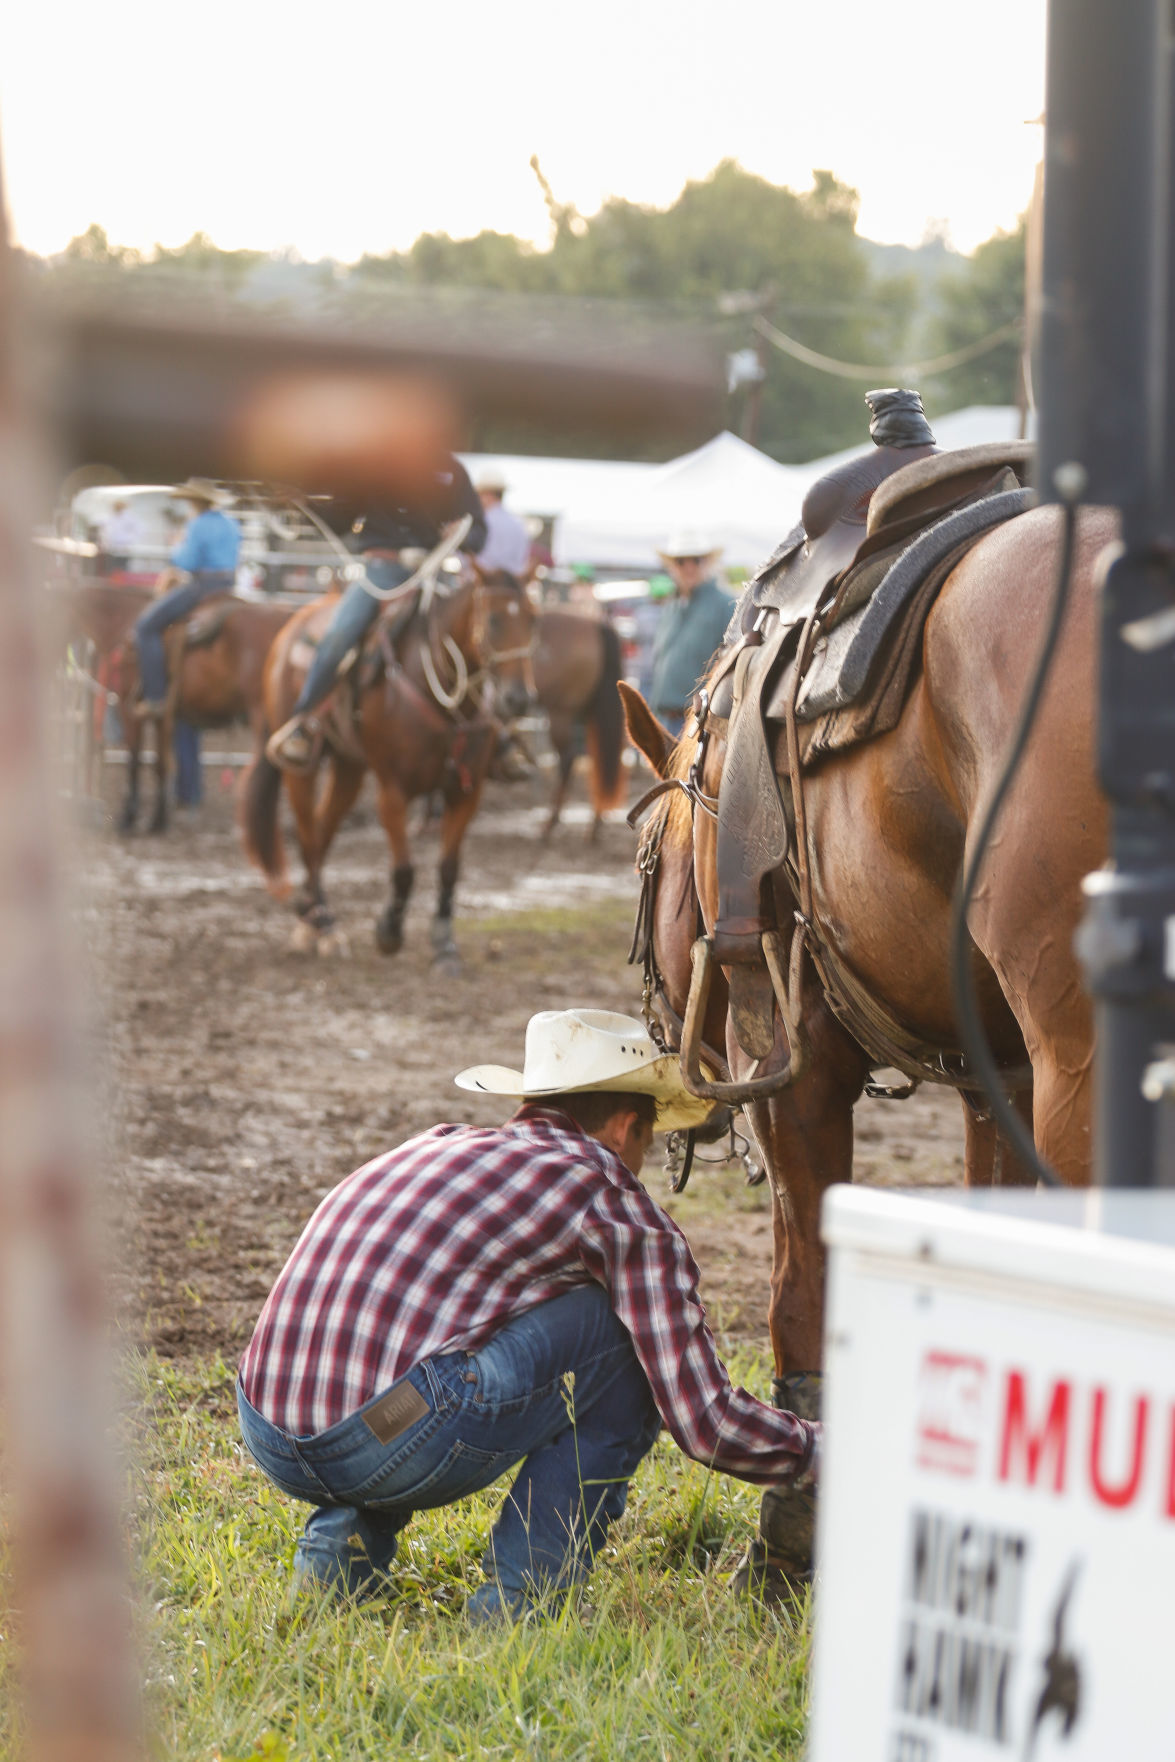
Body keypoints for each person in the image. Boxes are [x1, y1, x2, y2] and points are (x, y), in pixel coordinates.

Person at [237, 1008, 820, 1622]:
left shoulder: (435, 1145)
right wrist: (818, 1451)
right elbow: (706, 1423)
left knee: (421, 1339)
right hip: (386, 1440)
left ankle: (334, 1565)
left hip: (268, 1428)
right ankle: (523, 1601)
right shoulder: (605, 1194)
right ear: (625, 1128)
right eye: (647, 1142)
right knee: (624, 1331)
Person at [265, 455, 487, 770]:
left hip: (435, 572)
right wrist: (300, 505)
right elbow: (340, 518)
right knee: (339, 636)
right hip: (380, 573)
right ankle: (302, 721)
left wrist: (462, 535)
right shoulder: (371, 465)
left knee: (475, 639)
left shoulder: (451, 471)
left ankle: (492, 729)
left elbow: (477, 529)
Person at [132, 480, 241, 718]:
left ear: (193, 501)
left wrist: (176, 547)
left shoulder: (198, 524)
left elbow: (187, 561)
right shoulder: (230, 523)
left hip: (202, 585)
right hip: (227, 584)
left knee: (145, 627)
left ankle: (155, 696)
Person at [647, 532, 733, 737]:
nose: (689, 567)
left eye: (696, 560)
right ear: (672, 566)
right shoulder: (671, 607)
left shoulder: (725, 605)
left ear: (707, 563)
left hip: (700, 722)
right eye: (680, 561)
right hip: (666, 718)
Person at [474, 468, 531, 579]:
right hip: (513, 582)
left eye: (479, 494)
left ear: (488, 494)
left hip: (484, 580)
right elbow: (522, 558)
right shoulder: (518, 524)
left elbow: (479, 559)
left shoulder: (482, 522)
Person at [97, 498, 141, 576]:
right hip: (111, 548)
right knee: (111, 569)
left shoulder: (129, 518)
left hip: (124, 548)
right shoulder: (109, 517)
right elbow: (103, 530)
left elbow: (137, 531)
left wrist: (129, 541)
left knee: (123, 569)